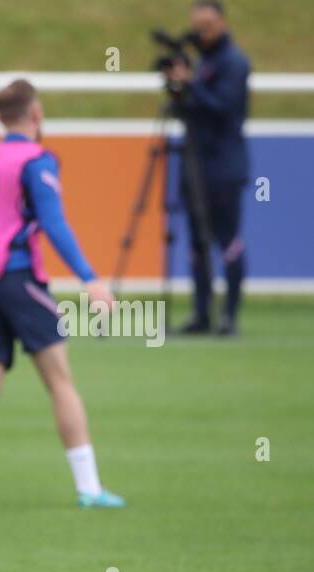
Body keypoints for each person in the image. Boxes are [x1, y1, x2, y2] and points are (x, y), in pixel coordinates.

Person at [0, 78, 124, 509]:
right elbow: (54, 223)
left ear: (0, 118)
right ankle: (89, 488)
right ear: (36, 114)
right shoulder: (36, 161)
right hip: (17, 280)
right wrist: (90, 278)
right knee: (60, 383)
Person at [165, 0, 251, 336]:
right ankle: (201, 314)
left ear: (221, 23)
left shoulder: (234, 62)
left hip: (224, 166)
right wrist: (179, 91)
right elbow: (194, 110)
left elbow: (225, 109)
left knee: (227, 239)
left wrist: (191, 84)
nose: (201, 33)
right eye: (197, 26)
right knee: (197, 242)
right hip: (195, 162)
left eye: (207, 26)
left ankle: (229, 315)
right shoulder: (203, 62)